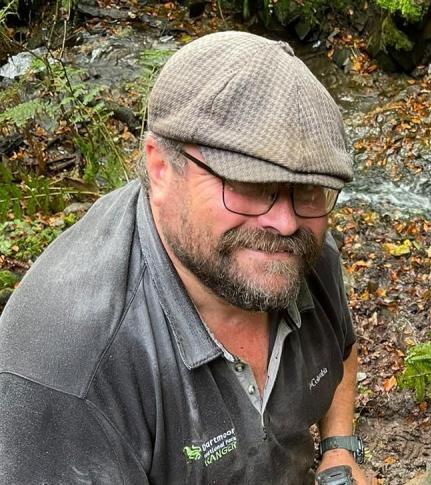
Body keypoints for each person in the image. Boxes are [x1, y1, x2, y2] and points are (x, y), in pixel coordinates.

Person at [0, 31, 368, 484]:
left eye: (309, 189)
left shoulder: (301, 255)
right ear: (159, 167)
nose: (285, 223)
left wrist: (339, 450)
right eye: (248, 185)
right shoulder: (71, 371)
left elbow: (342, 348)